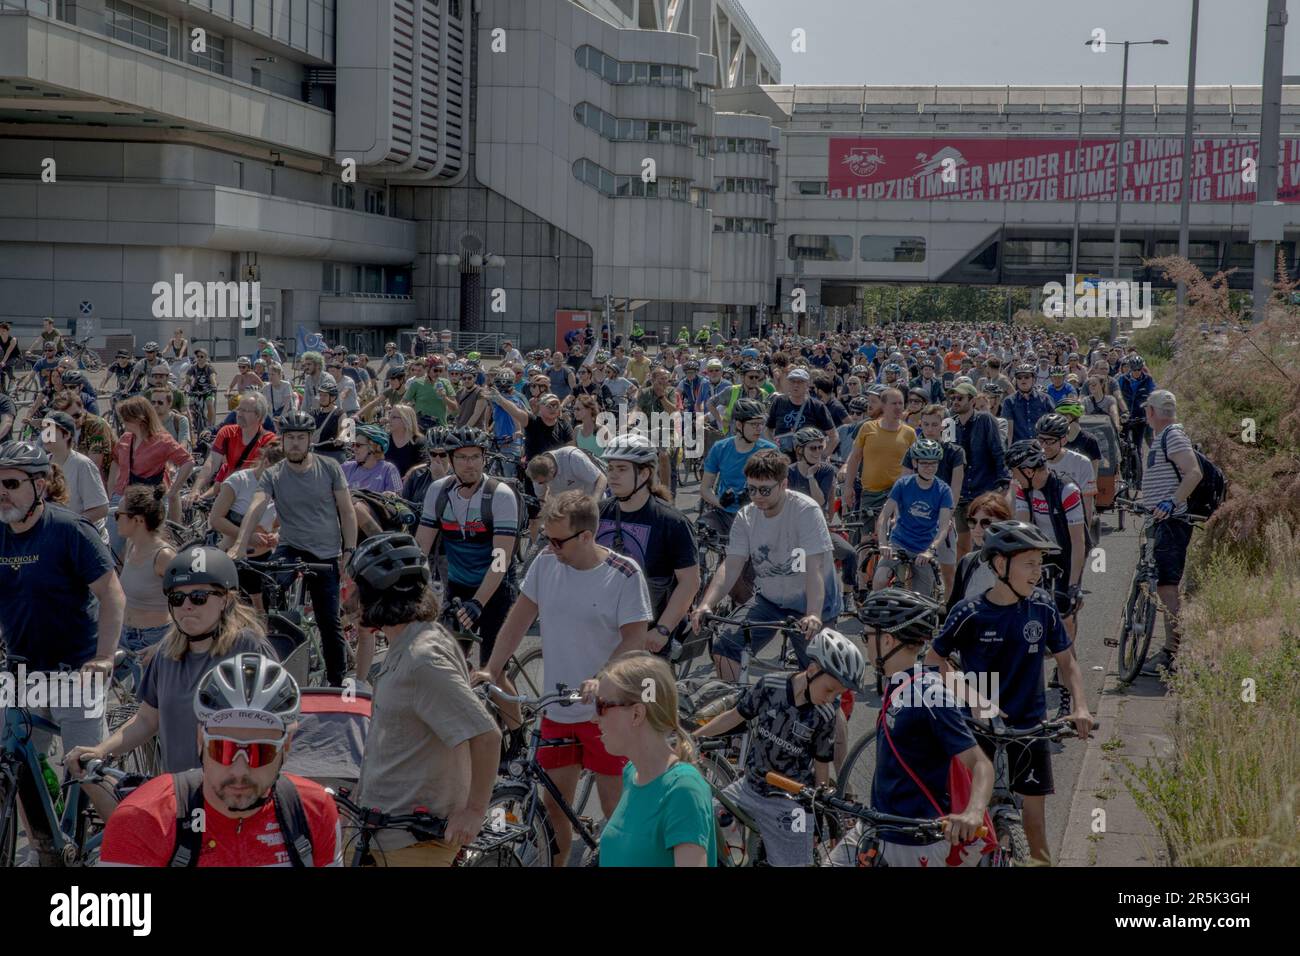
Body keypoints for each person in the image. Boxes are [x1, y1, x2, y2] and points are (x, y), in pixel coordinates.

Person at [480, 490, 652, 866]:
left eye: (558, 540)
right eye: (546, 538)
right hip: (557, 709)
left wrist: (602, 677)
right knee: (553, 805)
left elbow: (635, 638)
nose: (551, 547)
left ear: (586, 536)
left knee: (615, 807)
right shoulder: (545, 563)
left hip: (608, 709)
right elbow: (519, 619)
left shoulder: (623, 574)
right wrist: (492, 668)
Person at [929, 520, 1093, 865]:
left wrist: (1080, 706)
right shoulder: (969, 612)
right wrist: (972, 698)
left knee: (1034, 823)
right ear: (1000, 565)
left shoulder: (1042, 606)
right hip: (977, 730)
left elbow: (1067, 661)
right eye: (1029, 563)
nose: (1037, 572)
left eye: (1039, 564)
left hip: (1030, 725)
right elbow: (935, 662)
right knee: (963, 821)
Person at [98, 652, 341, 866]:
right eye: (223, 749)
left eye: (260, 753)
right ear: (200, 741)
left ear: (286, 747)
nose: (239, 770)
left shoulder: (314, 812)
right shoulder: (143, 820)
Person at [346, 533, 502, 865]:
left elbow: (486, 735)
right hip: (386, 834)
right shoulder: (408, 641)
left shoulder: (422, 660)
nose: (349, 597)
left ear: (379, 595)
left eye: (358, 588)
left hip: (412, 846)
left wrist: (474, 811)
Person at [0, 441, 121, 864]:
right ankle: (42, 844)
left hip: (76, 672)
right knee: (10, 764)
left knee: (86, 772)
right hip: (22, 673)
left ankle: (131, 845)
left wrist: (104, 657)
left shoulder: (70, 530)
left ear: (41, 485)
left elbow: (111, 594)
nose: (3, 493)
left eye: (11, 483)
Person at [840, 588, 993, 868]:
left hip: (914, 841)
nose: (865, 644)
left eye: (867, 636)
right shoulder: (898, 683)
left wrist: (973, 813)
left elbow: (980, 764)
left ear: (887, 640)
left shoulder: (930, 694)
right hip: (878, 827)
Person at [695, 629, 863, 866]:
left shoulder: (825, 715)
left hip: (790, 802)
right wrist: (693, 736)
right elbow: (735, 716)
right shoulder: (769, 686)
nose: (831, 698)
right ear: (813, 671)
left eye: (838, 694)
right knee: (698, 818)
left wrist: (816, 809)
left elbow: (821, 764)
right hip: (749, 788)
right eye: (829, 689)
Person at [691, 449, 841, 681]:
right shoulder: (745, 517)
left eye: (764, 490)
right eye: (751, 489)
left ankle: (826, 715)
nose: (757, 496)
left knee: (818, 678)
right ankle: (740, 708)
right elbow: (731, 566)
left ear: (783, 485)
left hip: (811, 603)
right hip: (771, 600)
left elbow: (815, 568)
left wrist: (813, 614)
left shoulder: (805, 510)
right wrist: (706, 605)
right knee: (724, 648)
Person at [232, 411, 357, 687]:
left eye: (301, 438)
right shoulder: (274, 474)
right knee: (270, 588)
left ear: (310, 439)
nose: (296, 444)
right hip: (291, 546)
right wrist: (240, 545)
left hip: (325, 552)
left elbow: (347, 512)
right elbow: (256, 505)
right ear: (283, 442)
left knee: (328, 621)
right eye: (291, 438)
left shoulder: (329, 468)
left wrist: (349, 551)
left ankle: (337, 682)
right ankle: (280, 656)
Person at [414, 427, 521, 667]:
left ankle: (505, 701)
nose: (469, 464)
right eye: (462, 457)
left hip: (496, 589)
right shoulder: (438, 491)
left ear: (484, 458)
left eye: (475, 457)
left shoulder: (500, 495)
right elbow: (421, 548)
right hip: (459, 588)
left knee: (493, 673)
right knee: (447, 666)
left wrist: (479, 602)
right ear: (451, 460)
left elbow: (501, 559)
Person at [595, 434, 700, 659]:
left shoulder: (671, 521)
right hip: (601, 628)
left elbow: (689, 582)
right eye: (610, 468)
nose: (612, 475)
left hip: (646, 636)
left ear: (644, 473)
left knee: (646, 694)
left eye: (621, 469)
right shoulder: (598, 511)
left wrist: (663, 629)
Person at [1137, 389, 1202, 676]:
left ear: (1151, 412)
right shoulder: (1164, 437)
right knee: (1164, 585)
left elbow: (1194, 472)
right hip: (1162, 520)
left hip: (1172, 522)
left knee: (1167, 587)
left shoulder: (1173, 435)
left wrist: (1170, 501)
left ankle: (1172, 655)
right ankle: (1169, 650)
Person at [1007, 439, 1086, 660]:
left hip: (1068, 552)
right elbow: (1024, 529)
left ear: (1029, 471)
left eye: (1015, 472)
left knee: (1065, 614)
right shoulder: (1024, 489)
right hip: (1041, 553)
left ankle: (1067, 670)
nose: (1014, 478)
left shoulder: (1067, 489)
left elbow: (1079, 542)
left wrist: (1073, 584)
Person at [107, 396, 194, 549]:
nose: (122, 422)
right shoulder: (126, 439)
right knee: (114, 545)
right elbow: (115, 461)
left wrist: (173, 491)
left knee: (146, 546)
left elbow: (187, 462)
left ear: (138, 419)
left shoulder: (162, 440)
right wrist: (111, 490)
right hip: (121, 496)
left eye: (125, 419)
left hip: (147, 500)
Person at [900, 405, 965, 596]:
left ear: (943, 426)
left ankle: (949, 610)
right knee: (911, 572)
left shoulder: (955, 452)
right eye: (926, 424)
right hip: (916, 517)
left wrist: (945, 518)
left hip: (943, 516)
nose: (929, 429)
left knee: (948, 570)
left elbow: (956, 489)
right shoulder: (913, 451)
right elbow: (904, 484)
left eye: (934, 425)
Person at [699, 398, 777, 546]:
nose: (759, 429)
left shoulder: (770, 451)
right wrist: (721, 503)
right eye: (754, 424)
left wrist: (757, 498)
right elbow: (705, 488)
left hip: (759, 513)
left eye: (761, 424)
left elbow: (781, 489)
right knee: (699, 533)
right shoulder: (720, 448)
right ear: (739, 425)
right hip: (724, 512)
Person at [114, 484, 177, 655]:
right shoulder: (130, 545)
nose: (116, 519)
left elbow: (185, 606)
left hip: (153, 639)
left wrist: (162, 646)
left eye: (119, 515)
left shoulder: (164, 556)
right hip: (124, 635)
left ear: (138, 520)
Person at [948, 382, 1007, 560]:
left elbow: (998, 451)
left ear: (972, 400)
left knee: (984, 541)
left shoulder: (985, 419)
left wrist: (1003, 481)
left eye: (960, 398)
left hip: (982, 491)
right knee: (962, 544)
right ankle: (964, 583)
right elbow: (946, 459)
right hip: (960, 493)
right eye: (953, 398)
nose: (955, 402)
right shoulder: (949, 424)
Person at [188, 393, 276, 503]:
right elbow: (212, 463)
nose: (239, 414)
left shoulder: (269, 441)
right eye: (239, 409)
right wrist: (196, 489)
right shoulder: (227, 432)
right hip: (227, 493)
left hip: (251, 497)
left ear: (259, 415)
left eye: (245, 411)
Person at [843, 386, 915, 517]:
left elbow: (915, 466)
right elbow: (854, 458)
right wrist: (848, 487)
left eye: (901, 403)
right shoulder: (867, 427)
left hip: (898, 494)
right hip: (871, 493)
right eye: (894, 403)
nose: (898, 407)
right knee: (867, 537)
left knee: (895, 536)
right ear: (884, 405)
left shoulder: (909, 433)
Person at [40, 409, 109, 539]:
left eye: (51, 431)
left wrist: (69, 526)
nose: (45, 435)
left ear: (66, 435)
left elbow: (101, 508)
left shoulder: (82, 464)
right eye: (43, 431)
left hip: (83, 539)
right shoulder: (41, 464)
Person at [946, 491, 1012, 609]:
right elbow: (953, 609)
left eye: (986, 523)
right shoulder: (967, 561)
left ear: (1005, 523)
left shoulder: (1016, 564)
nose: (976, 529)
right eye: (972, 522)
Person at [1036, 413, 1097, 531]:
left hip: (1070, 528)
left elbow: (1087, 506)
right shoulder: (1032, 461)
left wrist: (1085, 540)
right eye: (1040, 440)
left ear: (1063, 440)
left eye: (1049, 441)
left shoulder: (1082, 463)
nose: (1043, 446)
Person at [526, 444, 607, 502]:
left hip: (591, 502)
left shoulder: (573, 458)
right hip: (568, 511)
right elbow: (542, 499)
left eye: (543, 482)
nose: (542, 484)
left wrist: (595, 501)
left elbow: (601, 478)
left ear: (552, 471)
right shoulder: (537, 473)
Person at [1001, 364, 1055, 445]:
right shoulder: (1009, 401)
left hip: (1042, 447)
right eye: (1019, 377)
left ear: (1034, 379)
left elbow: (1053, 426)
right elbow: (1009, 430)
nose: (1023, 379)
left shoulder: (1046, 399)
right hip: (1019, 449)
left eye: (1027, 377)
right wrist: (1008, 452)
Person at [344, 423, 402, 493]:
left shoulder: (389, 469)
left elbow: (398, 498)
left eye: (358, 445)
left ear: (373, 448)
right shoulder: (346, 467)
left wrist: (391, 495)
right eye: (353, 444)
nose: (354, 448)